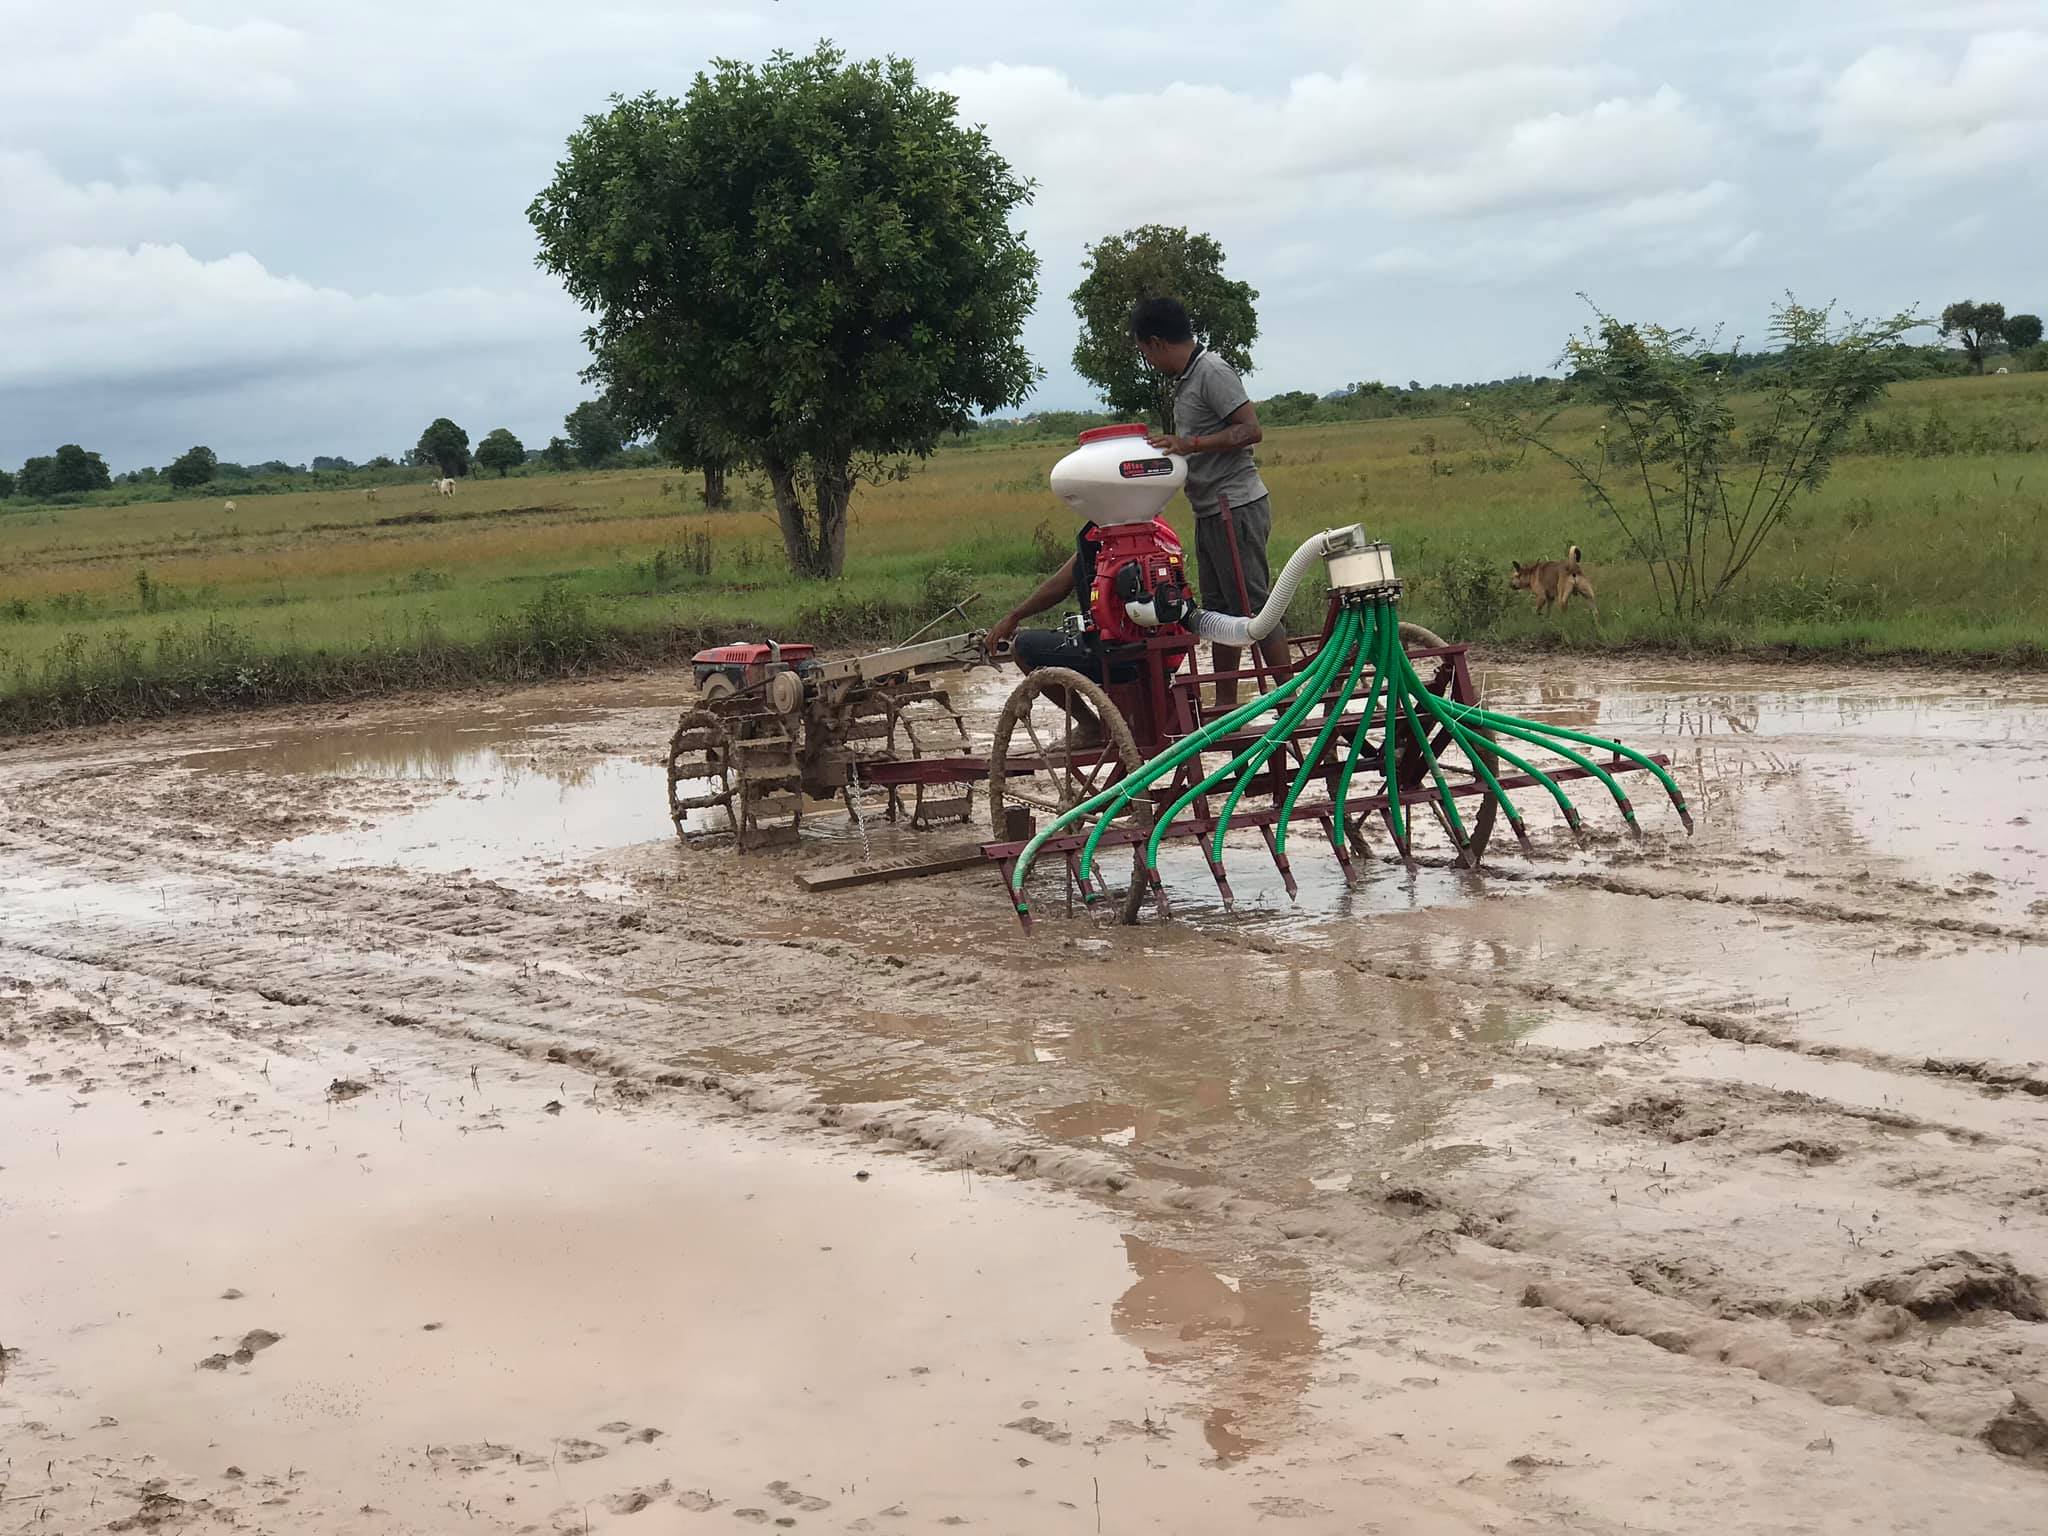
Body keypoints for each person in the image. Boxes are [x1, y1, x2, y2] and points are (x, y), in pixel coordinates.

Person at [1131, 295, 1290, 709]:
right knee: (1220, 610)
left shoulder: (1212, 371)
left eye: (1146, 352)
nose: (1149, 361)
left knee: (1255, 607)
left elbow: (1250, 430)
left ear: (1157, 343)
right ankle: (1225, 704)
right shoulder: (1186, 379)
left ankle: (1293, 705)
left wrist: (1189, 444)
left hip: (1234, 505)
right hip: (1211, 510)